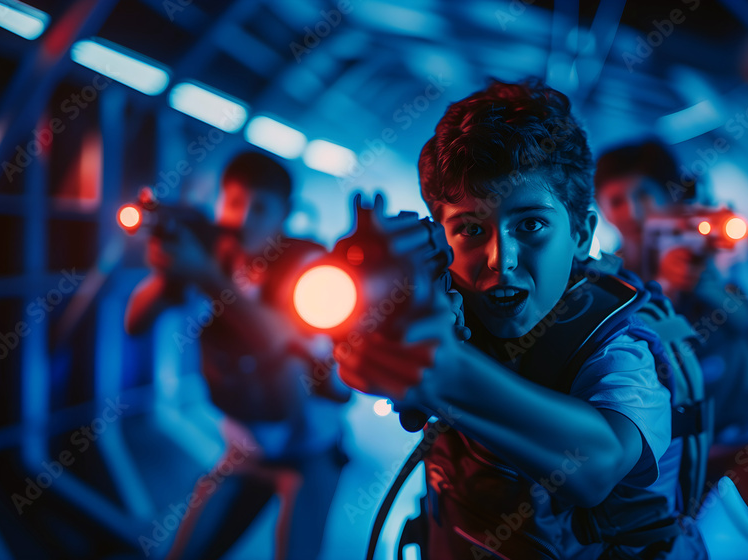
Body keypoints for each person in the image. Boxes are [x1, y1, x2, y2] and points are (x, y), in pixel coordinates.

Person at [337, 80, 708, 559]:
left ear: (581, 234)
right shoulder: (449, 305)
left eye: (530, 224)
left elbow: (599, 463)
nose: (501, 258)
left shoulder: (617, 344)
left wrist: (450, 369)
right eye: (470, 229)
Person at [125, 151, 349, 560]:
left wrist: (205, 275)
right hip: (245, 446)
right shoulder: (213, 253)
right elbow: (136, 321)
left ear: (285, 214)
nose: (244, 218)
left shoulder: (307, 263)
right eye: (234, 203)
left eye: (260, 207)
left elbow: (277, 339)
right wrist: (167, 270)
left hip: (310, 446)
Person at [594, 140, 748, 558]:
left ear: (667, 194)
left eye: (643, 196)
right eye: (617, 201)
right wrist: (670, 290)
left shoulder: (716, 238)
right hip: (677, 440)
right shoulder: (611, 277)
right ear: (602, 209)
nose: (632, 212)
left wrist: (711, 288)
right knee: (662, 546)